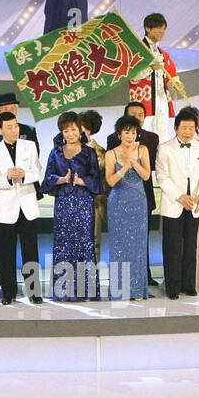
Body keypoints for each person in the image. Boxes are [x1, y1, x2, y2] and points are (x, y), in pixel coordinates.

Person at [41, 111, 103, 301]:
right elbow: (47, 180)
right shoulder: (55, 152)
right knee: (63, 245)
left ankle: (87, 291)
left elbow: (96, 180)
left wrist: (83, 181)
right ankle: (63, 290)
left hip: (84, 203)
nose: (70, 133)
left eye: (73, 129)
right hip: (63, 204)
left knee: (84, 244)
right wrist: (61, 179)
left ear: (80, 130)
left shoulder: (89, 152)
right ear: (62, 132)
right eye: (66, 130)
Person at [0, 111, 43, 305]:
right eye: (9, 127)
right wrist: (8, 177)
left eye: (16, 126)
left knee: (31, 250)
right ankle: (8, 293)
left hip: (27, 202)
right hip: (6, 205)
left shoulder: (30, 146)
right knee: (6, 251)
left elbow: (37, 171)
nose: (14, 130)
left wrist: (24, 174)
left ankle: (34, 291)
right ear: (0, 130)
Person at [157, 108, 199, 300]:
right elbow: (162, 177)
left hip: (195, 204)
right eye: (184, 127)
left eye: (191, 128)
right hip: (174, 203)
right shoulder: (165, 148)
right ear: (176, 128)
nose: (188, 132)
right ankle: (172, 287)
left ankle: (189, 284)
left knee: (190, 246)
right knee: (172, 246)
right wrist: (180, 196)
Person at [104, 114, 152, 300]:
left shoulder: (143, 150)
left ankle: (138, 290)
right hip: (118, 202)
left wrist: (134, 163)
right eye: (126, 132)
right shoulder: (111, 154)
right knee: (119, 247)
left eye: (133, 132)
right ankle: (119, 291)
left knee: (138, 246)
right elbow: (110, 181)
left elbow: (146, 176)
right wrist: (123, 168)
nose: (130, 136)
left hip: (138, 201)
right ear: (119, 134)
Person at [129, 13, 186, 138]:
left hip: (161, 99)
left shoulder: (163, 54)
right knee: (138, 134)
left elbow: (171, 74)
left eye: (164, 28)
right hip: (143, 99)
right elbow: (132, 75)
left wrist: (176, 84)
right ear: (147, 28)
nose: (162, 31)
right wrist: (150, 68)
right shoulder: (138, 50)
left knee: (161, 135)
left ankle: (159, 158)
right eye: (158, 28)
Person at [123, 101, 160, 286]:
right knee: (124, 237)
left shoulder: (152, 138)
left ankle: (145, 274)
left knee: (142, 237)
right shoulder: (114, 138)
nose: (136, 117)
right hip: (122, 194)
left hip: (144, 193)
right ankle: (124, 276)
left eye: (140, 114)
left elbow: (151, 165)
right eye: (132, 114)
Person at [79, 111, 108, 258]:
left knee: (93, 240)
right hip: (72, 201)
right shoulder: (67, 150)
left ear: (88, 130)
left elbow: (101, 179)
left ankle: (91, 278)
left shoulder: (100, 152)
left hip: (93, 202)